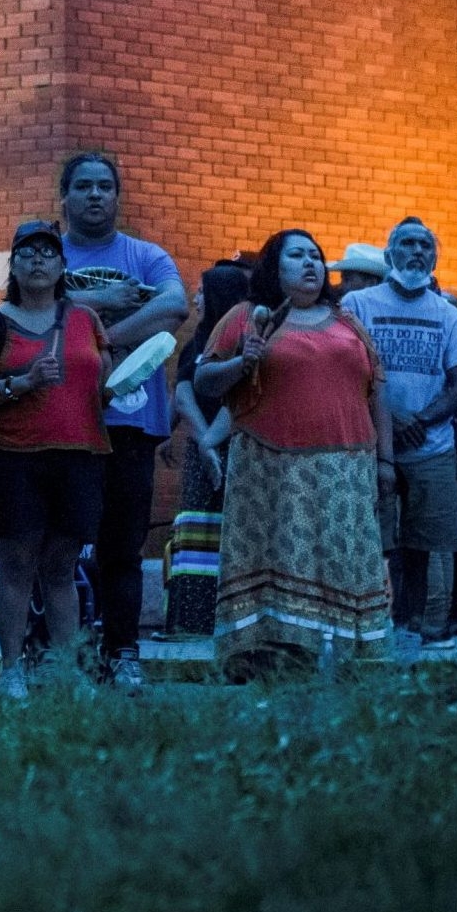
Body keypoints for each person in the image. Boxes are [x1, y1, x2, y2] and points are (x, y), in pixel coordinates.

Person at [195, 230, 392, 678]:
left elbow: (377, 390)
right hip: (271, 469)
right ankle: (270, 662)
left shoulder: (346, 321)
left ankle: (340, 660)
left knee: (340, 562)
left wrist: (386, 463)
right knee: (278, 563)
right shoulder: (248, 317)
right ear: (273, 267)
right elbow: (205, 381)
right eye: (297, 255)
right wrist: (242, 362)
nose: (311, 263)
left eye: (317, 256)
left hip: (346, 467)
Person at [0, 221, 112, 698]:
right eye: (28, 253)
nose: (39, 260)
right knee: (18, 564)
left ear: (63, 265)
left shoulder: (85, 319)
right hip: (15, 458)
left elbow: (106, 380)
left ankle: (67, 671)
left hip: (80, 454)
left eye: (49, 252)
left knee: (62, 566)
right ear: (13, 265)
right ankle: (11, 672)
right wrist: (22, 382)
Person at [56, 152, 185, 687]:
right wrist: (101, 299)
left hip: (131, 423)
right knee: (56, 546)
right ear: (63, 197)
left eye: (105, 186)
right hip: (59, 422)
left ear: (117, 196)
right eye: (83, 186)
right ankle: (59, 655)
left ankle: (123, 653)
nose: (94, 195)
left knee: (122, 549)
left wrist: (95, 331)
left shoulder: (146, 255)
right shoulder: (45, 254)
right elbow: (24, 308)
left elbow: (174, 306)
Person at [340, 218, 457, 645]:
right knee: (370, 538)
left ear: (434, 258)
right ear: (389, 256)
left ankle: (432, 627)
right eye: (407, 244)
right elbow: (346, 372)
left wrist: (420, 420)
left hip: (432, 446)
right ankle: (370, 628)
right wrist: (391, 420)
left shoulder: (449, 316)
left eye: (425, 246)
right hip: (367, 444)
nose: (417, 252)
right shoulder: (358, 305)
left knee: (436, 540)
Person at [163, 261, 252, 637]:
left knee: (239, 533)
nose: (196, 297)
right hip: (205, 450)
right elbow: (183, 391)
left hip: (242, 448)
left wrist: (213, 444)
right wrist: (204, 444)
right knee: (198, 532)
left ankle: (233, 620)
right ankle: (191, 619)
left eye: (202, 290)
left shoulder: (246, 339)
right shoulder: (196, 341)